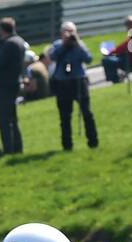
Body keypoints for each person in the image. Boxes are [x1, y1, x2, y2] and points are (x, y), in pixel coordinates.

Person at [48, 21, 98, 150]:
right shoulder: (57, 45)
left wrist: (77, 44)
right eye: (67, 31)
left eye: (71, 31)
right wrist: (64, 44)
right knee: (65, 116)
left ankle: (93, 142)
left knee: (87, 112)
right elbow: (52, 57)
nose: (69, 34)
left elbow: (89, 59)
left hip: (79, 81)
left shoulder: (79, 45)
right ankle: (67, 145)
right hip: (63, 83)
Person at [0, 17, 29, 154]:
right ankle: (17, 148)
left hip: (5, 83)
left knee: (4, 120)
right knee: (12, 118)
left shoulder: (8, 44)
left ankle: (9, 149)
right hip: (14, 81)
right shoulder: (19, 41)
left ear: (2, 30)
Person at [102, 16, 132, 83]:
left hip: (130, 61)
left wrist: (111, 52)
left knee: (107, 60)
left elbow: (125, 47)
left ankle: (115, 80)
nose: (127, 27)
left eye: (128, 25)